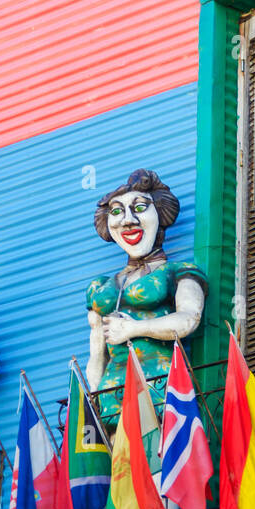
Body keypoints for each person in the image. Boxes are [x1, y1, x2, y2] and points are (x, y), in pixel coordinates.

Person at [85, 170, 207, 427]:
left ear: (160, 215)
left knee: (158, 463)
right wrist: (92, 396)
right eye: (117, 212)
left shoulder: (177, 272)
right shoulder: (99, 287)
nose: (128, 220)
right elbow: (97, 352)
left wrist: (134, 329)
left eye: (139, 208)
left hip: (161, 390)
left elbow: (189, 319)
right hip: (111, 395)